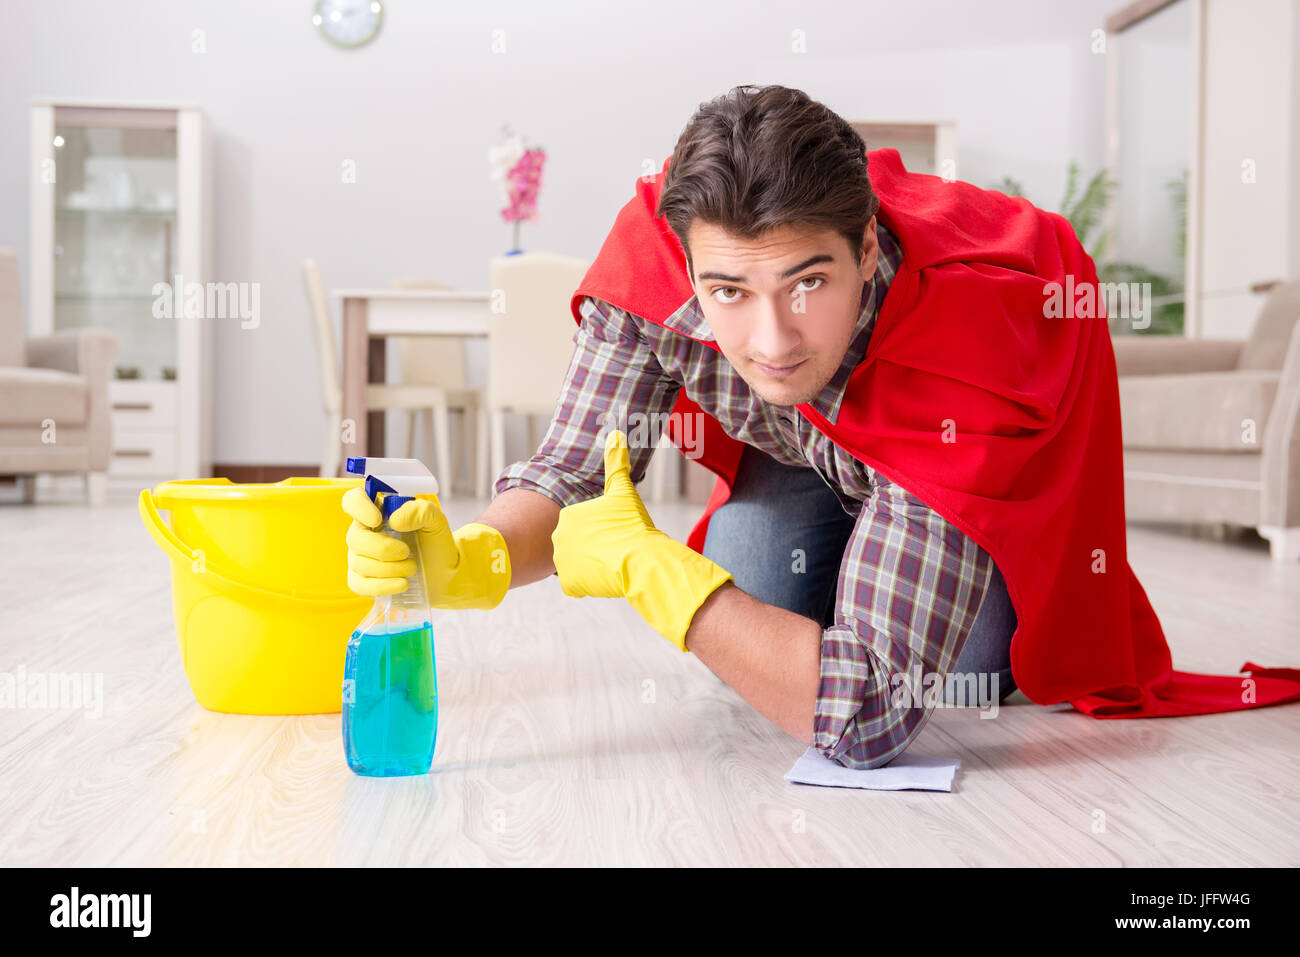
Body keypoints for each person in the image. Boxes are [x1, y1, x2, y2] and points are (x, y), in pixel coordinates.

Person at [343, 85, 1300, 771]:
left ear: (866, 249)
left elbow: (864, 719)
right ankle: (833, 564)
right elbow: (572, 474)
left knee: (958, 672)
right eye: (729, 292)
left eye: (808, 283)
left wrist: (661, 576)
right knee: (759, 588)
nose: (770, 341)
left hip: (949, 445)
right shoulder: (654, 272)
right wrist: (474, 558)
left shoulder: (971, 350)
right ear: (687, 264)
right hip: (813, 456)